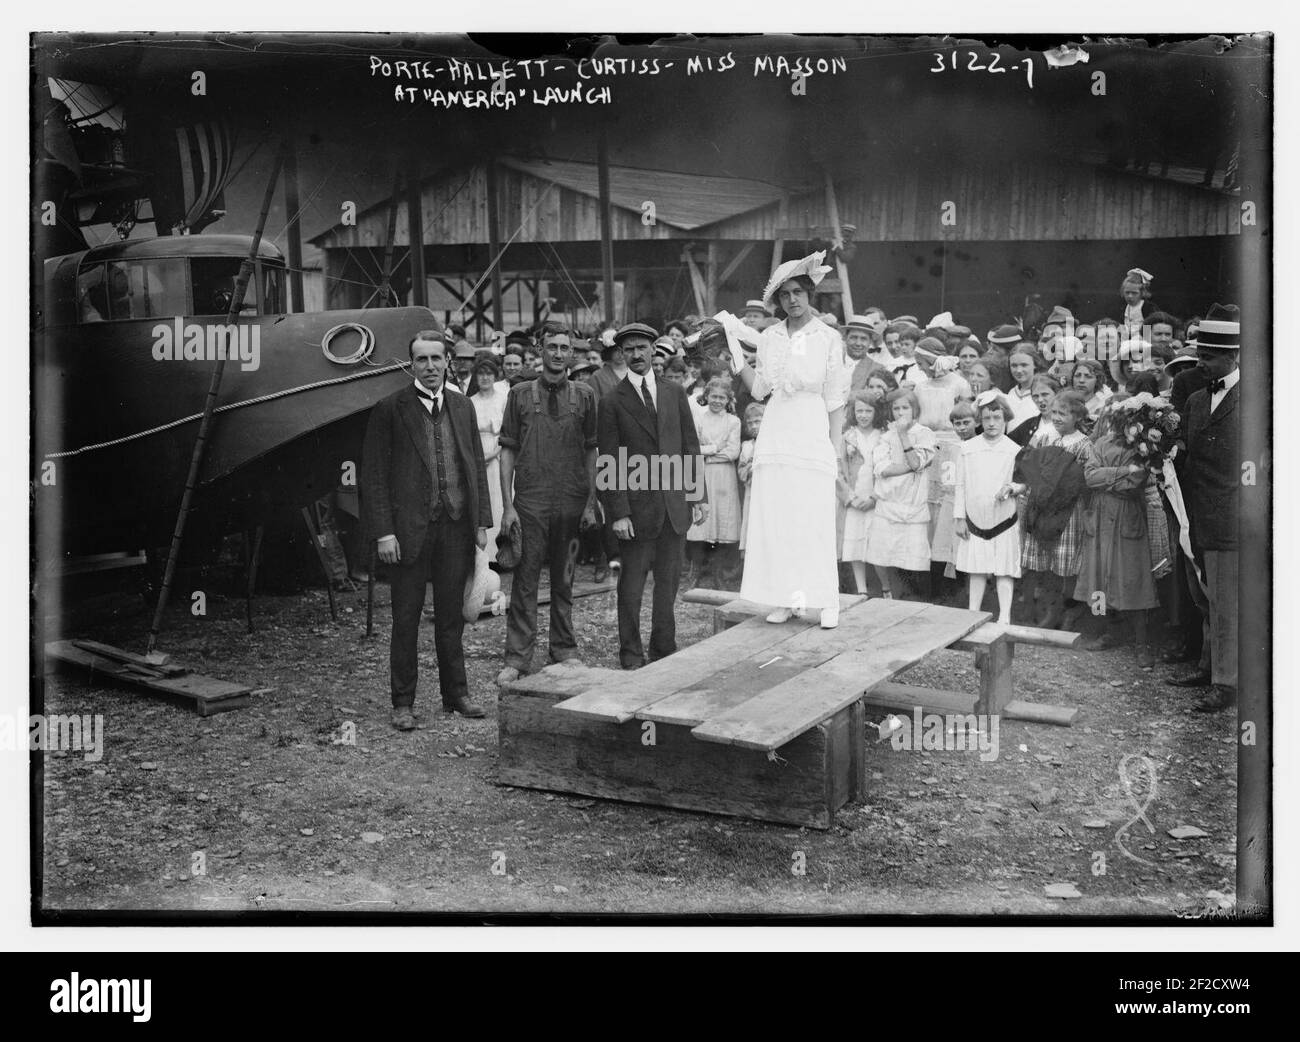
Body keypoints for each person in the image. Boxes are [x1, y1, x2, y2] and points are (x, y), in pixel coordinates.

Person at [361, 331, 492, 728]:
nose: (430, 367)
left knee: (451, 617)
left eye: (437, 359)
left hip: (454, 527)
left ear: (446, 361)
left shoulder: (462, 406)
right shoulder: (390, 409)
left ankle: (456, 695)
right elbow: (375, 476)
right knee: (406, 618)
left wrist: (481, 522)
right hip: (408, 533)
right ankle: (403, 702)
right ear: (410, 364)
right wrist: (384, 532)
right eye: (422, 360)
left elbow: (475, 469)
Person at [733, 252, 849, 628]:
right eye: (784, 296)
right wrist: (736, 358)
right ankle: (786, 597)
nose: (792, 300)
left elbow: (835, 399)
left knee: (813, 517)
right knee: (779, 517)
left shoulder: (829, 338)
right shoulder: (769, 337)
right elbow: (761, 390)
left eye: (798, 292)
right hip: (777, 430)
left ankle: (826, 600)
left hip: (811, 429)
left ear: (809, 293)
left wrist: (834, 448)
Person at [598, 322, 707, 669]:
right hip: (636, 511)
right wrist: (619, 513)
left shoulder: (674, 393)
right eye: (628, 349)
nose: (635, 354)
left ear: (653, 350)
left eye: (641, 348)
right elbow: (609, 461)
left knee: (668, 583)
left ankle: (663, 649)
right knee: (631, 589)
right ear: (621, 354)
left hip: (673, 507)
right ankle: (630, 654)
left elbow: (690, 445)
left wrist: (697, 495)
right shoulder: (613, 402)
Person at [495, 325, 600, 685]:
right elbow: (507, 449)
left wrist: (590, 501)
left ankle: (564, 648)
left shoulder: (585, 395)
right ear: (540, 351)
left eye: (564, 348)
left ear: (572, 354)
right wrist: (508, 505)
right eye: (551, 347)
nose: (558, 353)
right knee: (525, 577)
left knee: (565, 575)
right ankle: (518, 657)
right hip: (531, 500)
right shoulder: (520, 394)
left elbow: (592, 450)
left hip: (571, 498)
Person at [1173, 313, 1241, 711]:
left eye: (1210, 356)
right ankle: (1208, 666)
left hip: (1229, 519)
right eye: (1200, 353)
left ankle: (1227, 683)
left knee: (1227, 603)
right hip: (1193, 515)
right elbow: (1186, 448)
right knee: (1203, 596)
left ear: (1232, 358)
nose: (1201, 362)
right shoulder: (1197, 400)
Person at [1073, 402, 1160, 665]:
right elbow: (1090, 477)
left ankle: (1142, 642)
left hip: (1127, 515)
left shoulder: (1142, 447)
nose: (1123, 424)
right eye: (1118, 419)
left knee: (1133, 578)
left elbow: (1135, 482)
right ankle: (1108, 631)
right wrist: (1121, 473)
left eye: (1129, 420)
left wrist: (1108, 476)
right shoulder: (1101, 443)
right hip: (1099, 515)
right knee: (1100, 577)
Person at [1017, 390, 1091, 629]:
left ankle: (1068, 613)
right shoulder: (1047, 438)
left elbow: (1083, 480)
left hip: (1068, 512)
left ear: (1077, 416)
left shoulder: (1084, 444)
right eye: (1055, 412)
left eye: (1064, 413)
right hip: (1044, 509)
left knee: (1065, 565)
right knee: (1046, 563)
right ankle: (1050, 611)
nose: (1057, 417)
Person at [953, 392, 1024, 625]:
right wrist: (959, 517)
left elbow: (1024, 482)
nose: (992, 423)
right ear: (979, 421)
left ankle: (1005, 615)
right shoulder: (967, 448)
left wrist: (1012, 488)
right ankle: (973, 613)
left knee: (1004, 568)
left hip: (1004, 519)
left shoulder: (1014, 449)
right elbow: (960, 484)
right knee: (977, 567)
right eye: (986, 418)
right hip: (975, 520)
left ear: (1006, 419)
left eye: (997, 417)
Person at [866, 388, 937, 600]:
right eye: (896, 408)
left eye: (905, 407)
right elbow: (882, 469)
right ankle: (887, 591)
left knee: (913, 558)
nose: (900, 412)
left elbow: (917, 461)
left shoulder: (925, 434)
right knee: (881, 554)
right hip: (889, 503)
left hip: (913, 505)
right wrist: (910, 467)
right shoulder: (886, 437)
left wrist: (904, 435)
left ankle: (912, 598)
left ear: (914, 409)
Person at [686, 377, 743, 589]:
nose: (717, 401)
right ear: (706, 396)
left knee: (722, 520)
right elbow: (692, 447)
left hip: (724, 477)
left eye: (722, 397)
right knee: (701, 522)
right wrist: (712, 449)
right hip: (702, 474)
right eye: (714, 396)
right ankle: (696, 571)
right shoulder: (699, 417)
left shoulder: (733, 421)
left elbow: (732, 452)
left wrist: (707, 454)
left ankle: (719, 574)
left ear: (728, 400)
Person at [838, 391, 884, 595]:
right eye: (859, 411)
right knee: (855, 542)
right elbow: (837, 470)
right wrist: (851, 498)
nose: (863, 415)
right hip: (855, 497)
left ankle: (886, 587)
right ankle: (861, 589)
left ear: (876, 412)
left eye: (868, 410)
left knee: (876, 543)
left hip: (876, 497)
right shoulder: (847, 437)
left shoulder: (884, 436)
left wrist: (876, 497)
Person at [469, 357, 508, 561]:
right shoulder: (471, 402)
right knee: (484, 503)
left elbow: (509, 431)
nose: (484, 378)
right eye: (481, 374)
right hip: (477, 457)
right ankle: (484, 556)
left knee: (500, 501)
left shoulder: (503, 399)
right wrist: (478, 457)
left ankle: (503, 553)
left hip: (499, 455)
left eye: (489, 374)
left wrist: (493, 454)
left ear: (495, 376)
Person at [737, 401, 765, 553]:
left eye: (757, 422)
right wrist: (750, 468)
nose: (754, 426)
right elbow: (741, 470)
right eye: (750, 423)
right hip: (751, 491)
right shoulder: (747, 446)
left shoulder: (771, 445)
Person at [1071, 359, 1112, 426]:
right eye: (1077, 375)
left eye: (1088, 377)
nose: (1081, 380)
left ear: (1097, 380)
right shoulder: (1065, 401)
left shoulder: (1103, 406)